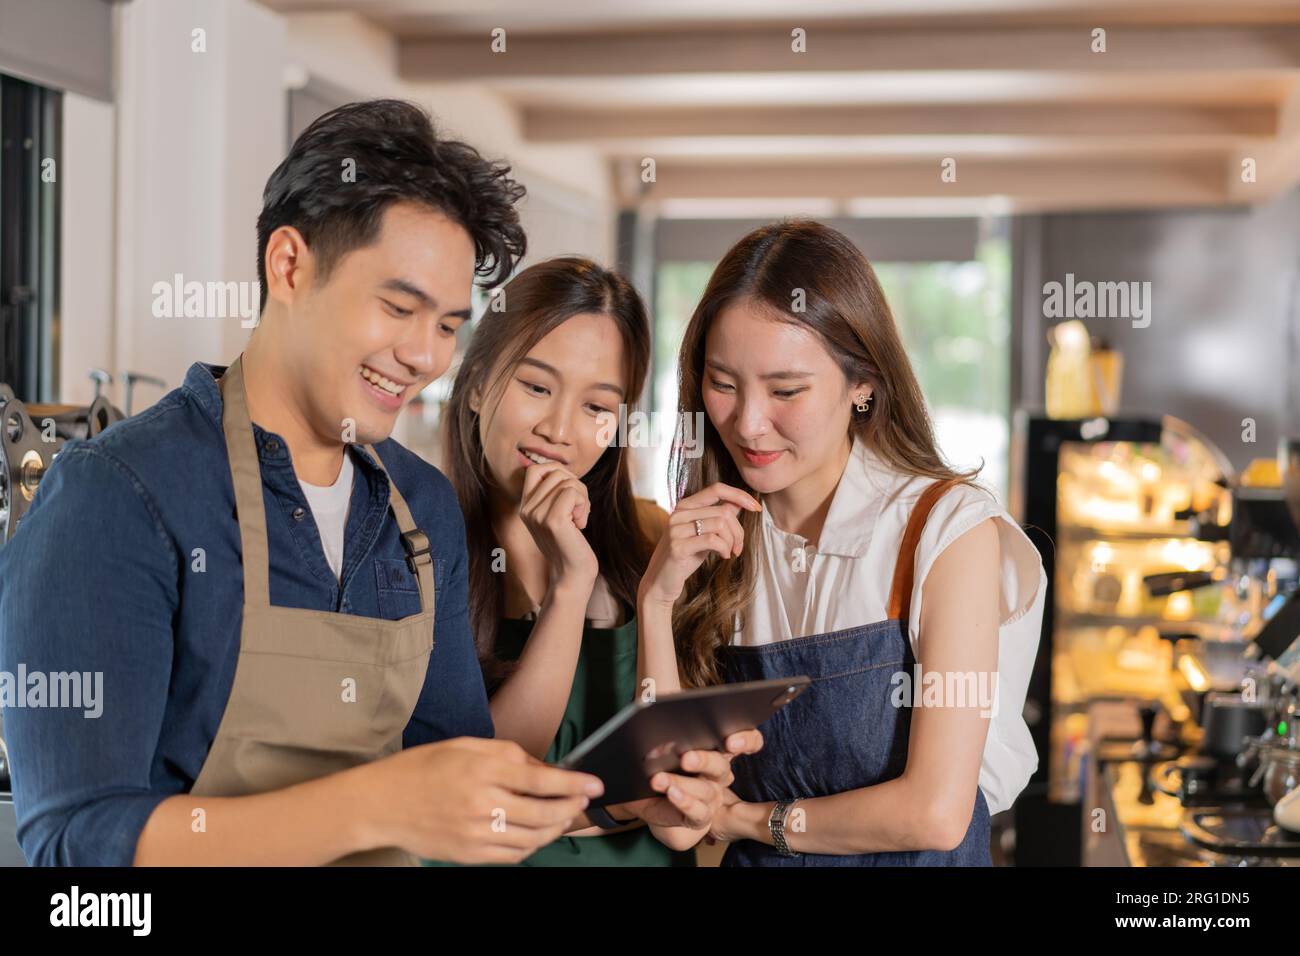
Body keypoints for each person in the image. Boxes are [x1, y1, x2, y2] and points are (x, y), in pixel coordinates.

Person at [0, 100, 707, 866]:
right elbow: (72, 852)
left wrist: (627, 794)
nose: (425, 356)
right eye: (398, 307)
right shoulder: (118, 497)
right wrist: (377, 803)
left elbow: (466, 792)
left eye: (445, 326)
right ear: (290, 266)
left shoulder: (418, 511)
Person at [636, 220, 1046, 865]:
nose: (747, 422)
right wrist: (656, 604)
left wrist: (746, 819)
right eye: (723, 383)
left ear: (863, 385)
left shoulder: (945, 532)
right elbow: (678, 825)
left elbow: (935, 814)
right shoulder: (714, 539)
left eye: (786, 390)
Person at [435, 256, 760, 866]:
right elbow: (494, 784)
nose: (559, 430)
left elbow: (681, 810)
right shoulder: (418, 543)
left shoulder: (651, 538)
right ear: (478, 384)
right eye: (536, 387)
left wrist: (655, 602)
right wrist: (569, 584)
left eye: (596, 407)